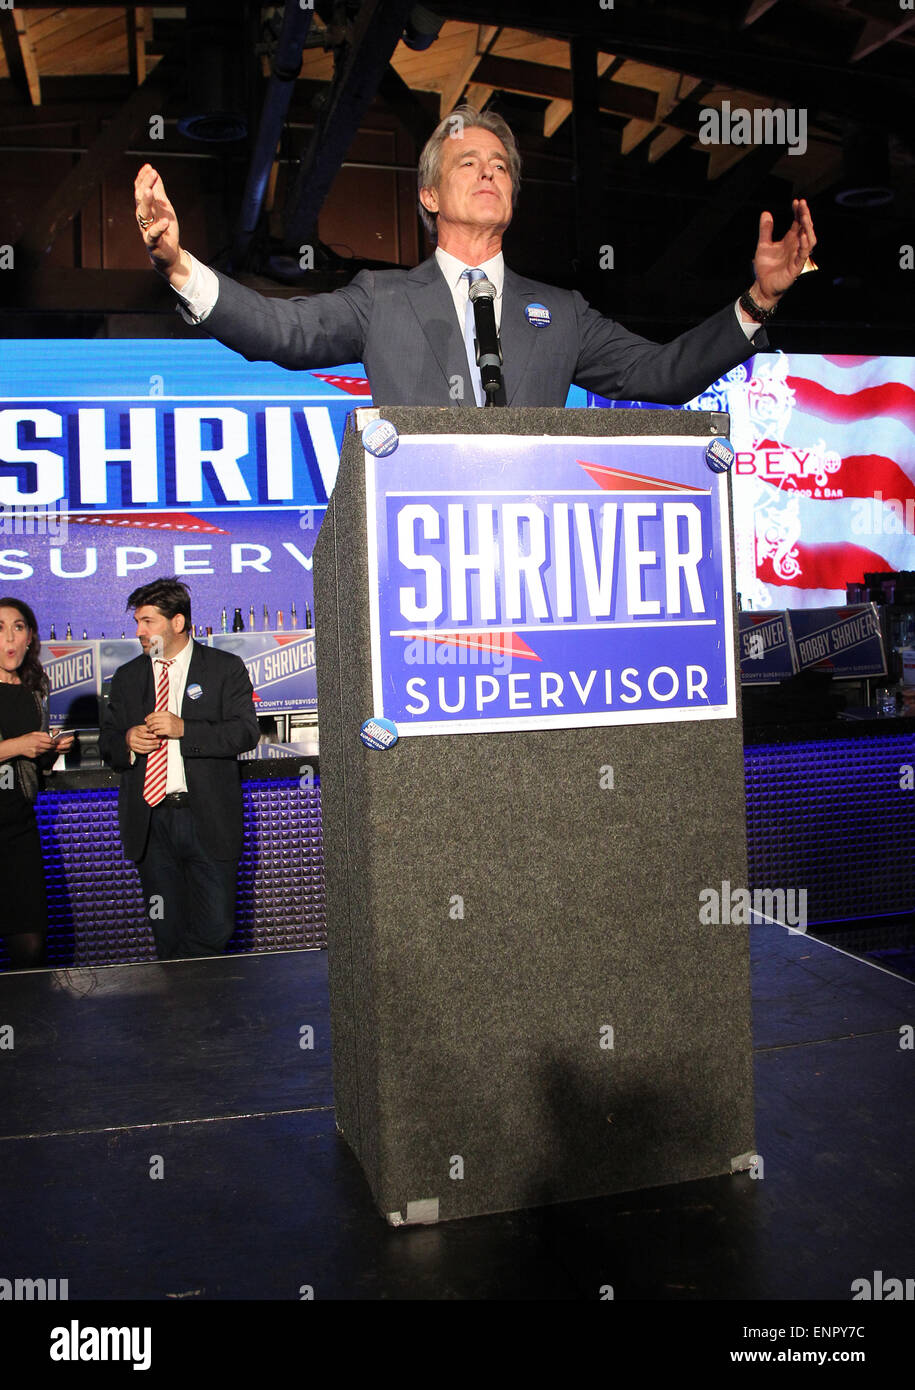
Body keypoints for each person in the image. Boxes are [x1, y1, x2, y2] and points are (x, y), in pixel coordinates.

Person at [133, 104, 816, 408]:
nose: (490, 173)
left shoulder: (563, 312)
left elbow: (663, 375)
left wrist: (758, 301)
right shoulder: (381, 301)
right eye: (469, 163)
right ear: (429, 194)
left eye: (500, 166)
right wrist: (178, 265)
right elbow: (281, 333)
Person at [98, 578, 260, 961]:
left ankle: (197, 999)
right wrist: (126, 742)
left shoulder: (224, 668)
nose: (139, 631)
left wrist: (185, 729)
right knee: (166, 931)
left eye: (148, 621)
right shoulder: (127, 677)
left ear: (177, 622)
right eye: (138, 622)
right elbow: (107, 743)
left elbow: (245, 732)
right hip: (152, 824)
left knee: (217, 927)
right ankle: (183, 1016)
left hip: (208, 820)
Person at [0, 598, 74, 970]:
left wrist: (49, 749)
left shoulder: (33, 692)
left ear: (30, 637)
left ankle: (26, 1025)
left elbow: (30, 766)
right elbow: (15, 748)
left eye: (18, 627)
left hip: (19, 827)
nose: (10, 638)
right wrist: (19, 745)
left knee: (29, 942)